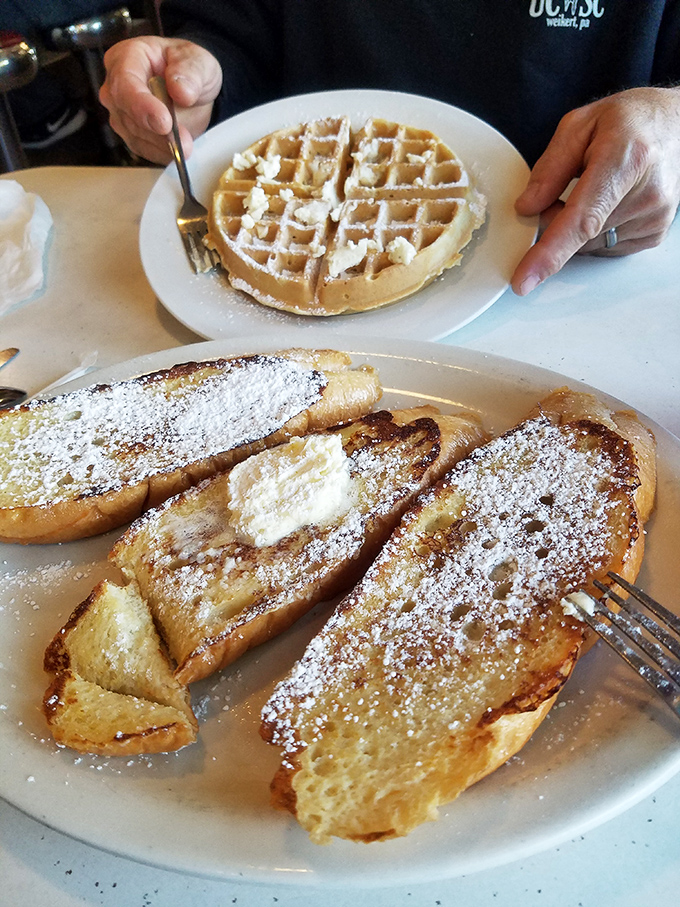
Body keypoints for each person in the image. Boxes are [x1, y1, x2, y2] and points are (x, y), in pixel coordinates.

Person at [100, 0, 680, 296]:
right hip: (267, 313)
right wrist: (194, 87)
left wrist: (672, 117)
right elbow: (230, 27)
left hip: (589, 279)